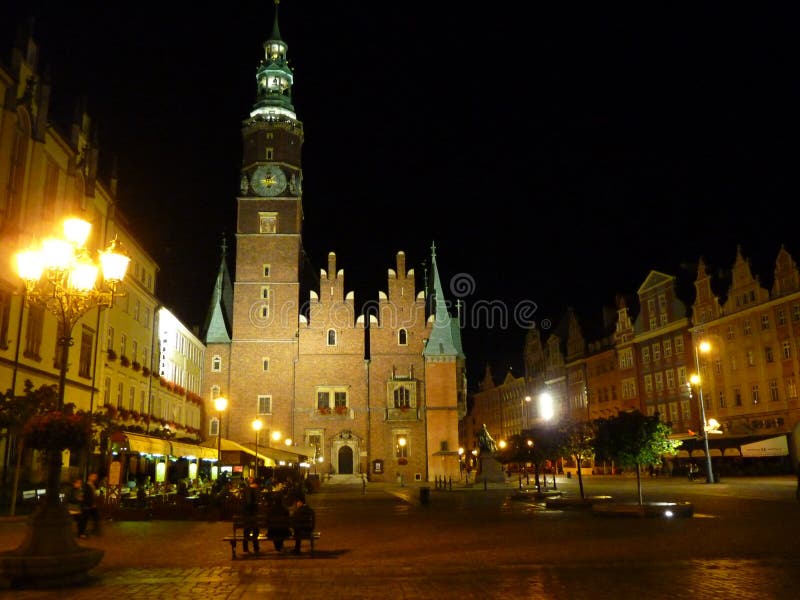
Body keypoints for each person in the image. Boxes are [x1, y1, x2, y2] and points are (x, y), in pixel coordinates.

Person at [241, 476, 261, 554]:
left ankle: (245, 548)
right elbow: (257, 501)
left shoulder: (246, 489)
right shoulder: (257, 490)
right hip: (254, 513)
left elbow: (245, 501)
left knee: (246, 530)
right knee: (255, 530)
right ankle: (256, 547)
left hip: (247, 513)